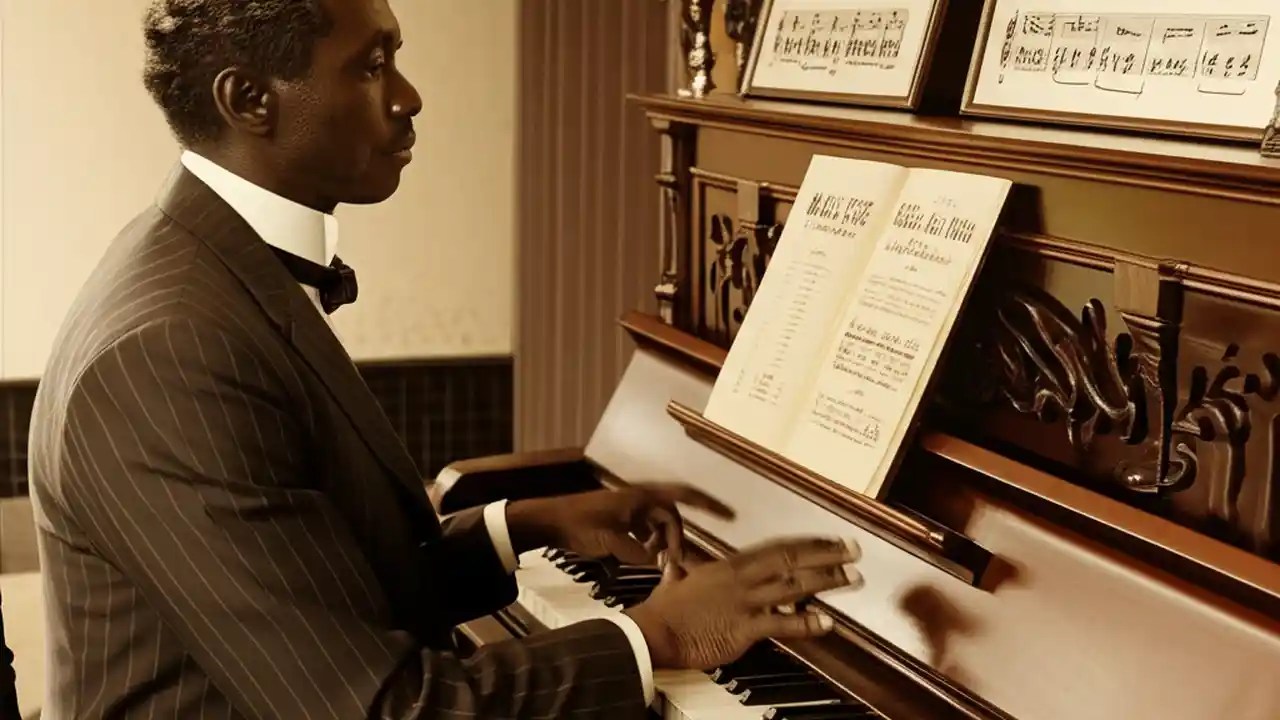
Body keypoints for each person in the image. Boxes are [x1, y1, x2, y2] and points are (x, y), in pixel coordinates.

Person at [26, 0, 864, 718]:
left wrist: (521, 529)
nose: (408, 97)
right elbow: (383, 707)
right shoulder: (172, 349)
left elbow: (313, 575)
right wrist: (658, 633)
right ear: (251, 100)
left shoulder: (204, 265)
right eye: (371, 66)